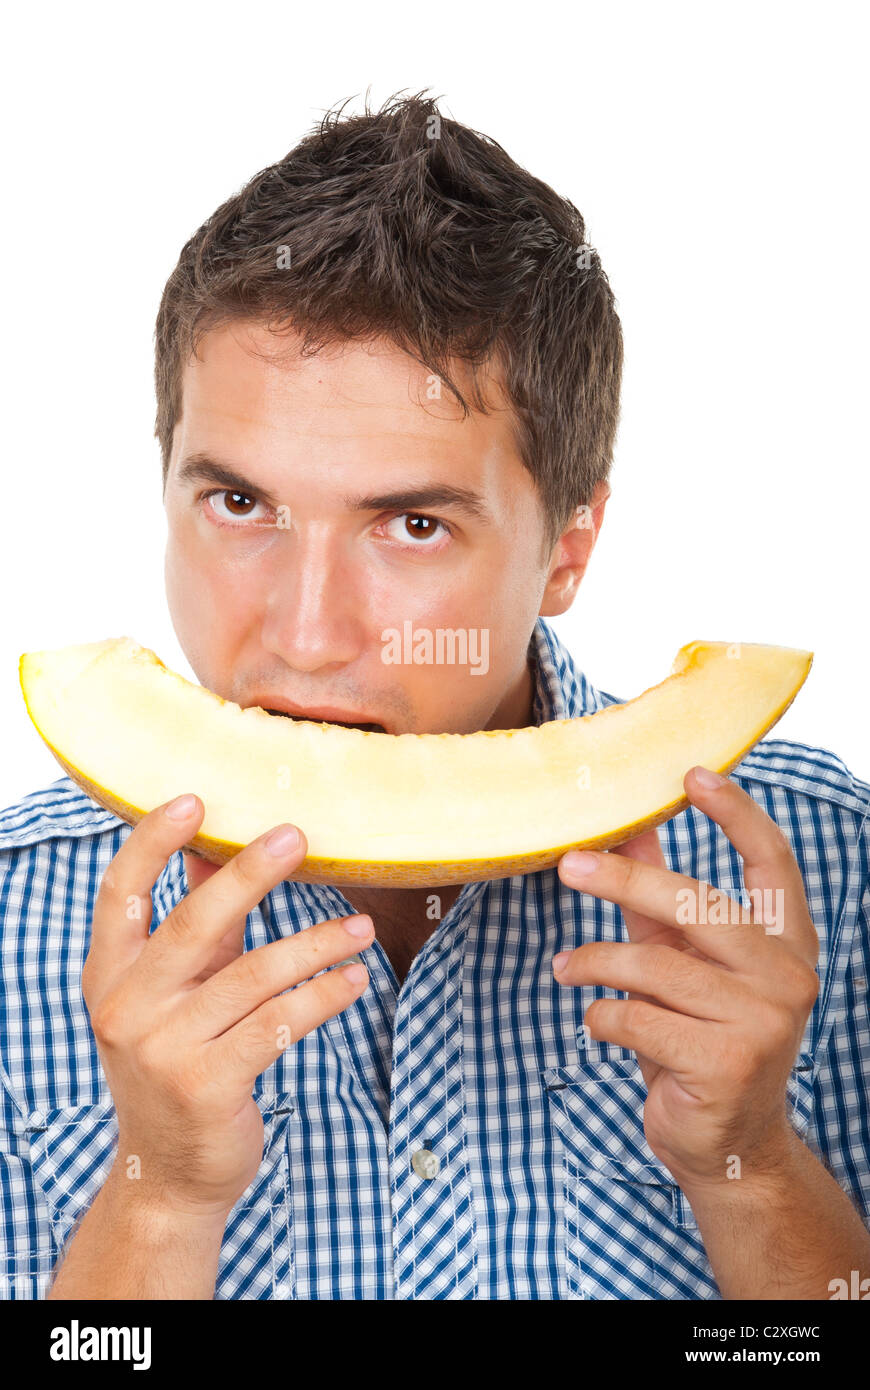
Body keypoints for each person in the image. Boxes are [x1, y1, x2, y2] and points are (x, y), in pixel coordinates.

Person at [1, 90, 868, 1301]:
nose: (304, 636)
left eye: (412, 525)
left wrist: (754, 1171)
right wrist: (156, 1198)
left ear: (569, 550)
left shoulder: (832, 867)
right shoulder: (11, 912)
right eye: (239, 504)